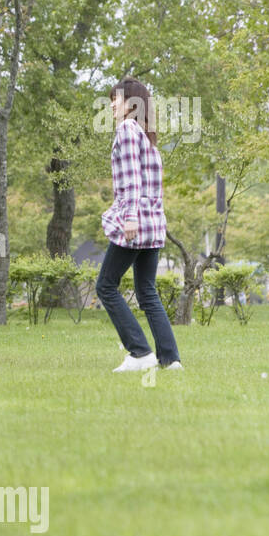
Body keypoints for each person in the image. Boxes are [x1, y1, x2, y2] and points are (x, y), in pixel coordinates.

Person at [96, 76, 183, 373]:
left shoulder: (128, 130)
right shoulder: (147, 136)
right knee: (147, 291)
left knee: (106, 285)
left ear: (131, 102)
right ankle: (170, 360)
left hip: (136, 222)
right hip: (153, 223)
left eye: (115, 100)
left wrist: (130, 216)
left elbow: (132, 178)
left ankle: (140, 352)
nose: (111, 106)